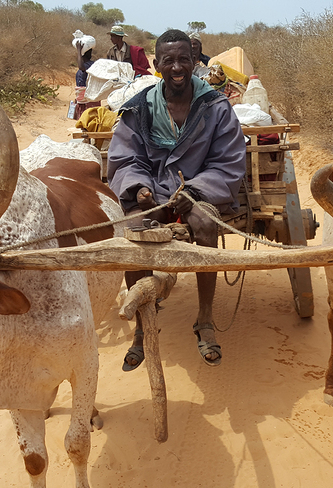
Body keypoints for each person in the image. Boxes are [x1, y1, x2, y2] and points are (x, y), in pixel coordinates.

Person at [107, 29, 247, 370]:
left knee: (204, 223)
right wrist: (139, 187)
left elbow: (227, 161)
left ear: (195, 61)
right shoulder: (137, 109)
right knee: (132, 230)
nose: (177, 66)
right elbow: (126, 158)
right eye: (168, 60)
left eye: (184, 58)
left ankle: (205, 319)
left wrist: (196, 191)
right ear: (157, 65)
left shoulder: (215, 107)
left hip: (198, 193)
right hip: (152, 195)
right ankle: (142, 326)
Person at [73, 39, 100, 120]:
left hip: (89, 100)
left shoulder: (90, 65)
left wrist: (78, 51)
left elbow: (81, 67)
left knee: (89, 120)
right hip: (82, 100)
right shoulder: (86, 65)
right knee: (83, 121)